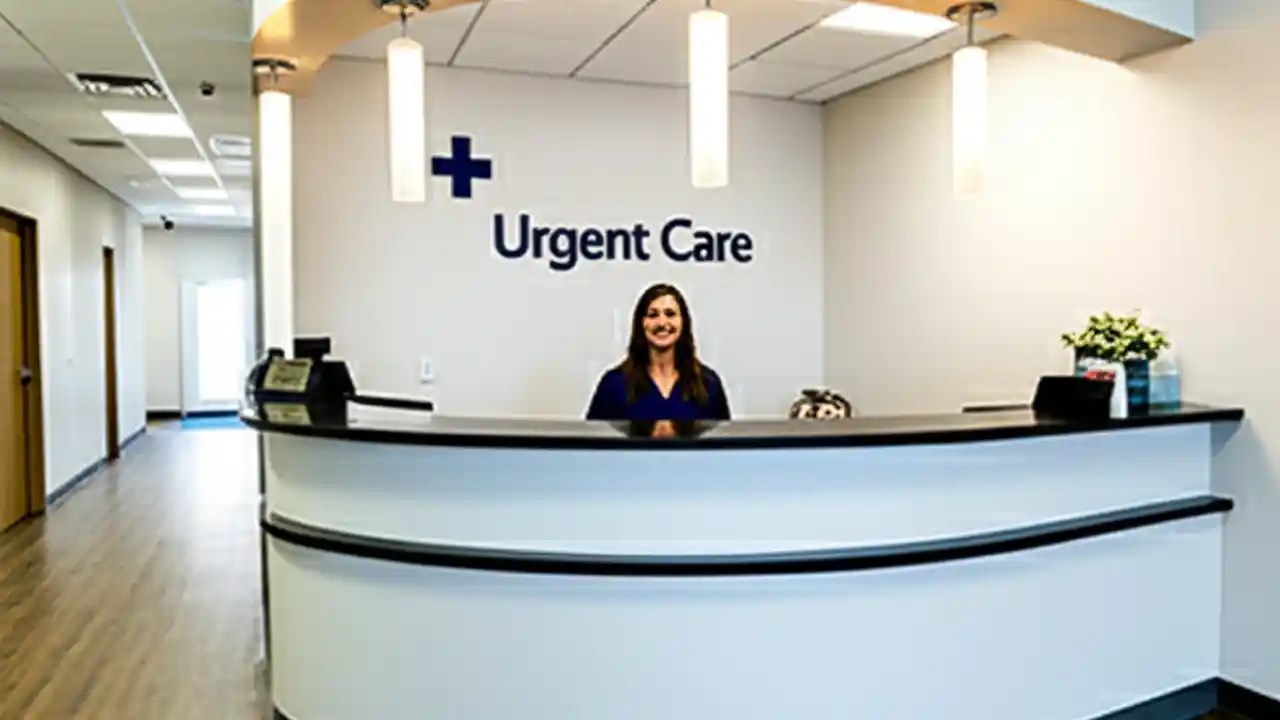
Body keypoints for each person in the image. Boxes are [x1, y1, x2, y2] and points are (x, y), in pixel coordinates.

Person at [586, 283, 731, 421]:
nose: (662, 323)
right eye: (653, 315)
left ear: (683, 322)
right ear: (641, 323)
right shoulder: (613, 384)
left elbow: (724, 444)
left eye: (670, 314)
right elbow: (592, 443)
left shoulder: (708, 384)